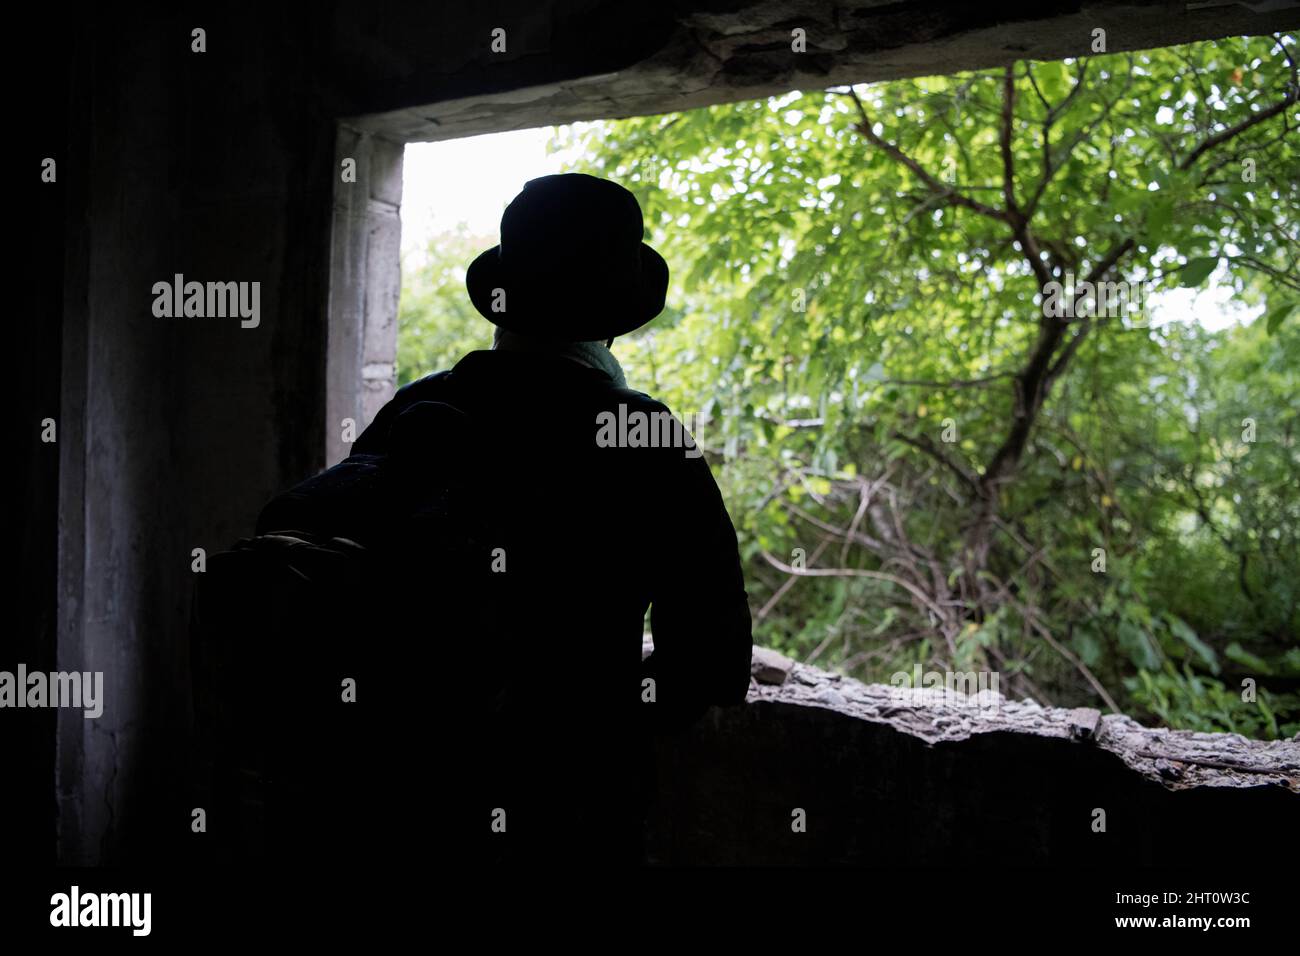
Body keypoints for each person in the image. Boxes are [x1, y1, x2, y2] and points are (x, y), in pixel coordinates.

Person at [256, 172, 753, 865]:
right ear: (614, 313)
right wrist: (600, 714)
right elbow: (709, 662)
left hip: (396, 795)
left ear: (503, 301)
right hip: (569, 810)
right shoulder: (645, 439)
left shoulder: (417, 411)